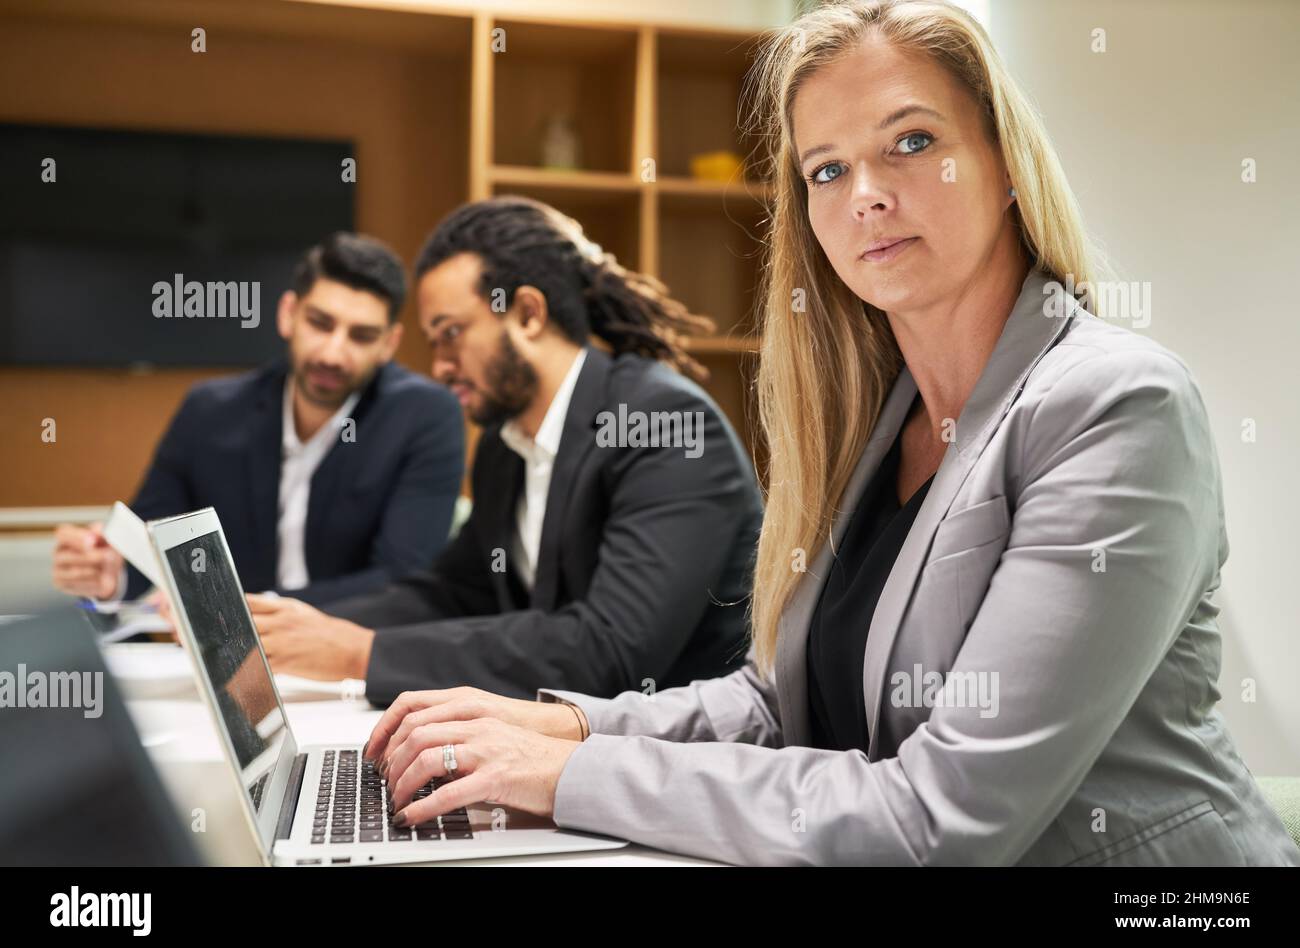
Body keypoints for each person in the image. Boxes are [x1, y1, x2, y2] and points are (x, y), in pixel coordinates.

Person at [359, 0, 1300, 866]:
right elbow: (777, 701)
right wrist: (562, 729)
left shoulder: (1115, 406)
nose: (866, 196)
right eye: (828, 168)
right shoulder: (871, 419)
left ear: (1007, 164)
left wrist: (567, 781)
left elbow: (940, 821)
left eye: (912, 141)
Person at [246, 197, 764, 706]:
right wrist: (282, 618)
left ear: (528, 314)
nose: (441, 367)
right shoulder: (504, 445)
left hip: (689, 761)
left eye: (451, 334)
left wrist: (360, 655)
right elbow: (452, 592)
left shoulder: (661, 425)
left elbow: (609, 649)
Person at [51, 232, 464, 609]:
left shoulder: (425, 416)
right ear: (289, 314)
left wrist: (255, 609)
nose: (333, 354)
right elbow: (152, 541)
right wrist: (111, 574)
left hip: (351, 658)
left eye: (361, 336)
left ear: (389, 344)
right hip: (225, 661)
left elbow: (402, 579)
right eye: (320, 324)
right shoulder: (210, 410)